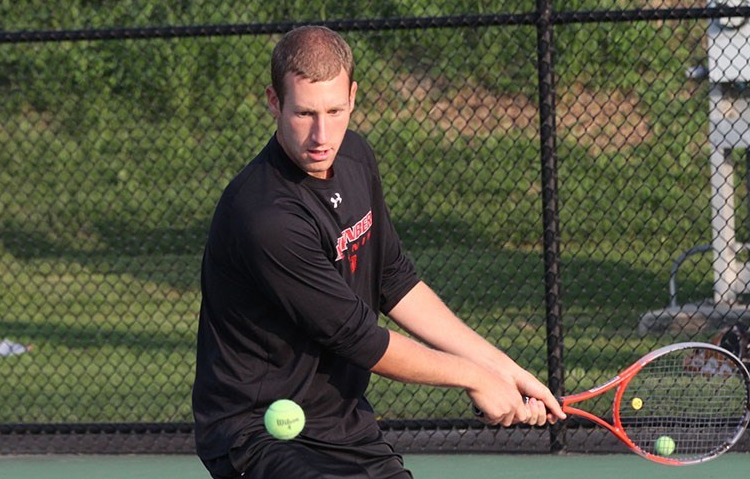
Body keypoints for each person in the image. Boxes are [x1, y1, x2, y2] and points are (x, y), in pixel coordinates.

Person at [191, 26, 564, 478]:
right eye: (304, 113)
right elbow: (360, 338)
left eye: (334, 110)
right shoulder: (267, 216)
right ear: (274, 102)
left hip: (343, 423)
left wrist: (501, 367)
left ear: (353, 96)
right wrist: (474, 378)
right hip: (257, 433)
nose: (321, 135)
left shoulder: (355, 158)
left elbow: (394, 279)